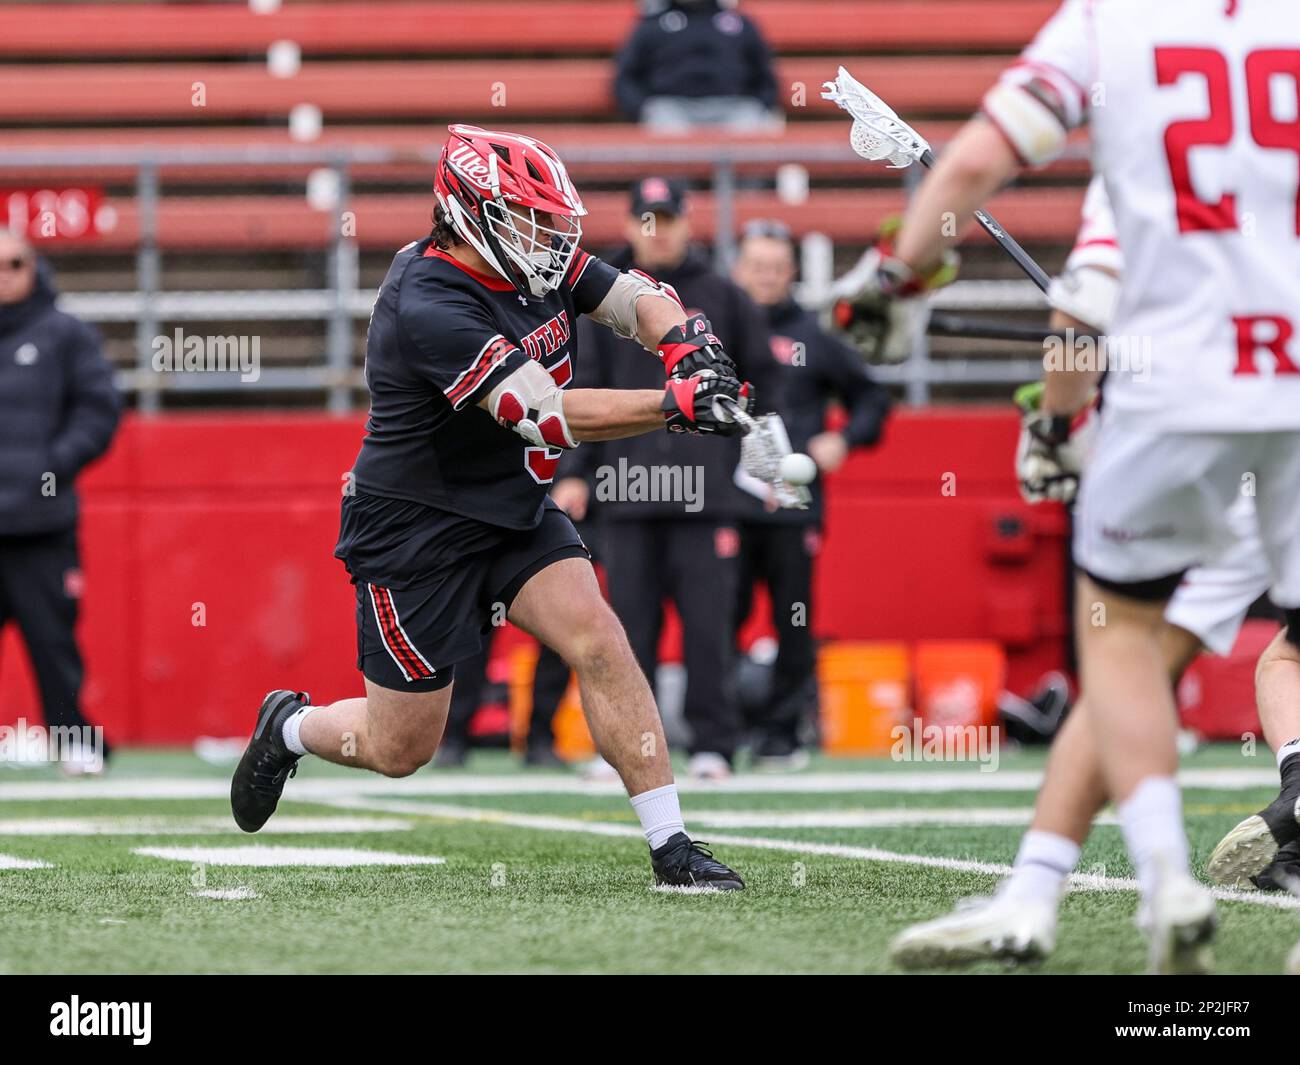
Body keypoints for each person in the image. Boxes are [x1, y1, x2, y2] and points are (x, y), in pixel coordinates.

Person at [844, 0, 1300, 971]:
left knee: (1121, 646)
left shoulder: (1111, 31)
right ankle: (1035, 889)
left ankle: (1161, 875)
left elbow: (1043, 260)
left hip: (1179, 401)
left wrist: (896, 277)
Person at [230, 125, 749, 890]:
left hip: (512, 505)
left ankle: (672, 846)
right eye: (527, 217)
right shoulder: (428, 301)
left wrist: (689, 344)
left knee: (600, 638)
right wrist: (674, 403)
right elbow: (542, 412)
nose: (548, 237)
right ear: (471, 213)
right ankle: (291, 727)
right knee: (401, 747)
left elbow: (632, 296)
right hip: (416, 526)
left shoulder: (529, 256)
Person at [556, 176, 780, 779]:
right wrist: (574, 473)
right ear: (630, 225)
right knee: (624, 630)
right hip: (624, 493)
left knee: (709, 627)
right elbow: (582, 388)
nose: (657, 231)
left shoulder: (724, 296)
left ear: (688, 221)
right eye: (646, 219)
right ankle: (628, 747)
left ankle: (714, 744)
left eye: (668, 218)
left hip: (706, 494)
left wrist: (767, 459)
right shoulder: (602, 296)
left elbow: (762, 380)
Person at [730, 219, 890, 768]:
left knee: (793, 618)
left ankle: (782, 735)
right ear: (738, 268)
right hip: (725, 502)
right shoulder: (712, 330)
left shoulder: (814, 337)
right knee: (716, 616)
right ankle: (718, 733)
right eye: (756, 266)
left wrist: (843, 439)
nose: (766, 277)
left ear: (791, 271)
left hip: (794, 508)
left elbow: (873, 398)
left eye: (776, 267)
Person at [0, 231, 120, 774]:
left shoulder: (65, 334)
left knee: (52, 643)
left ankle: (74, 739)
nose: (4, 273)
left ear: (33, 266)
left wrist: (50, 466)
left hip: (39, 524)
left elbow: (98, 411)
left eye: (14, 262)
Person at [614, 0, 780, 132]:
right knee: (666, 128)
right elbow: (626, 78)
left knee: (750, 123)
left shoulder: (741, 24)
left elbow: (766, 78)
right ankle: (670, 176)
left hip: (734, 108)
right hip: (672, 109)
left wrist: (760, 105)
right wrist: (644, 108)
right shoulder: (651, 25)